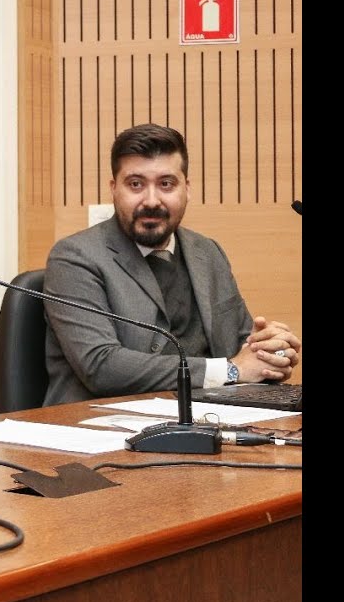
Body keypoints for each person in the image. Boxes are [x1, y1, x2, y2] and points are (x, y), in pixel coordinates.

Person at [42, 123, 302, 405]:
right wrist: (231, 369)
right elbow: (101, 366)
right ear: (113, 189)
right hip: (98, 426)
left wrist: (270, 354)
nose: (151, 200)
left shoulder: (207, 251)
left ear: (186, 189)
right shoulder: (75, 257)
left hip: (208, 418)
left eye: (166, 184)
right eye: (135, 184)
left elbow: (243, 346)